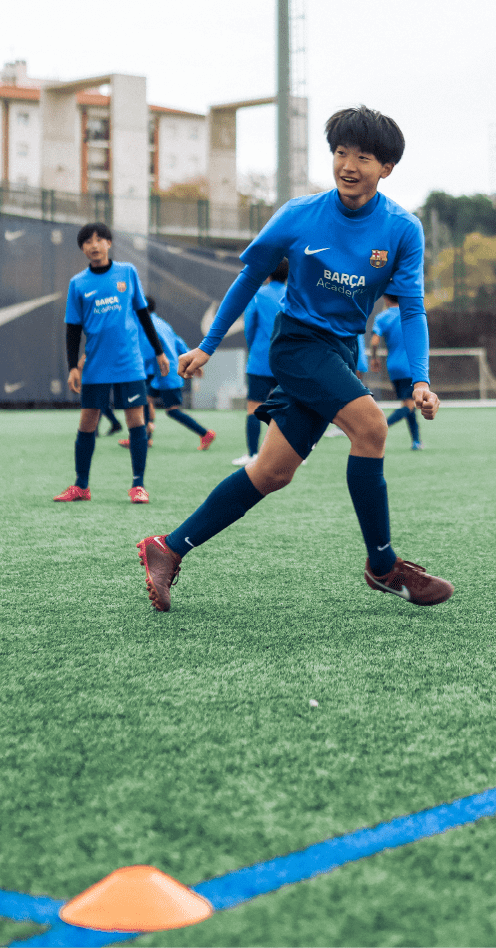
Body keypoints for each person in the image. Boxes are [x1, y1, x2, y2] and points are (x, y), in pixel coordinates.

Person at [137, 106, 451, 613]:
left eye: (363, 156)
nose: (348, 164)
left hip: (341, 351)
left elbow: (412, 308)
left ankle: (167, 548)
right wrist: (208, 345)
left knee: (272, 472)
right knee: (371, 428)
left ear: (386, 168)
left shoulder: (402, 229)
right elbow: (248, 279)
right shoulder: (298, 214)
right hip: (298, 345)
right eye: (340, 152)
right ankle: (383, 565)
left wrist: (421, 380)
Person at [54, 223, 169, 505]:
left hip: (128, 362)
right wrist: (72, 367)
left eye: (99, 240)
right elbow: (72, 329)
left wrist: (159, 352)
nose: (94, 245)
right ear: (82, 248)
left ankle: (138, 486)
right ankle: (81, 486)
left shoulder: (127, 272)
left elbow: (143, 315)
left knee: (136, 420)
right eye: (87, 242)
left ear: (109, 243)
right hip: (95, 365)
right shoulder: (78, 283)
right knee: (88, 422)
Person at [135, 299, 214, 450]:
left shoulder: (147, 326)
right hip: (162, 374)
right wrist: (191, 361)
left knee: (173, 411)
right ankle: (145, 438)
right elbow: (178, 342)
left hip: (165, 373)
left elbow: (147, 353)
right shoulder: (162, 323)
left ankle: (205, 433)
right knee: (145, 399)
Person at [232, 258, 288, 465]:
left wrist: (255, 347)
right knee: (289, 409)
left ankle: (253, 455)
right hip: (288, 362)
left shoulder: (258, 295)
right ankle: (293, 456)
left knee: (254, 408)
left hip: (260, 359)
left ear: (268, 273)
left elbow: (249, 328)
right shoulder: (294, 295)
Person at [370, 294, 423, 449]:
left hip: (393, 366)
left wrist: (374, 358)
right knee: (409, 406)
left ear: (386, 299)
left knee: (408, 404)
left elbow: (374, 341)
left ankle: (416, 441)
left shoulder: (382, 317)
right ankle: (379, 428)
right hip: (410, 367)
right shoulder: (410, 314)